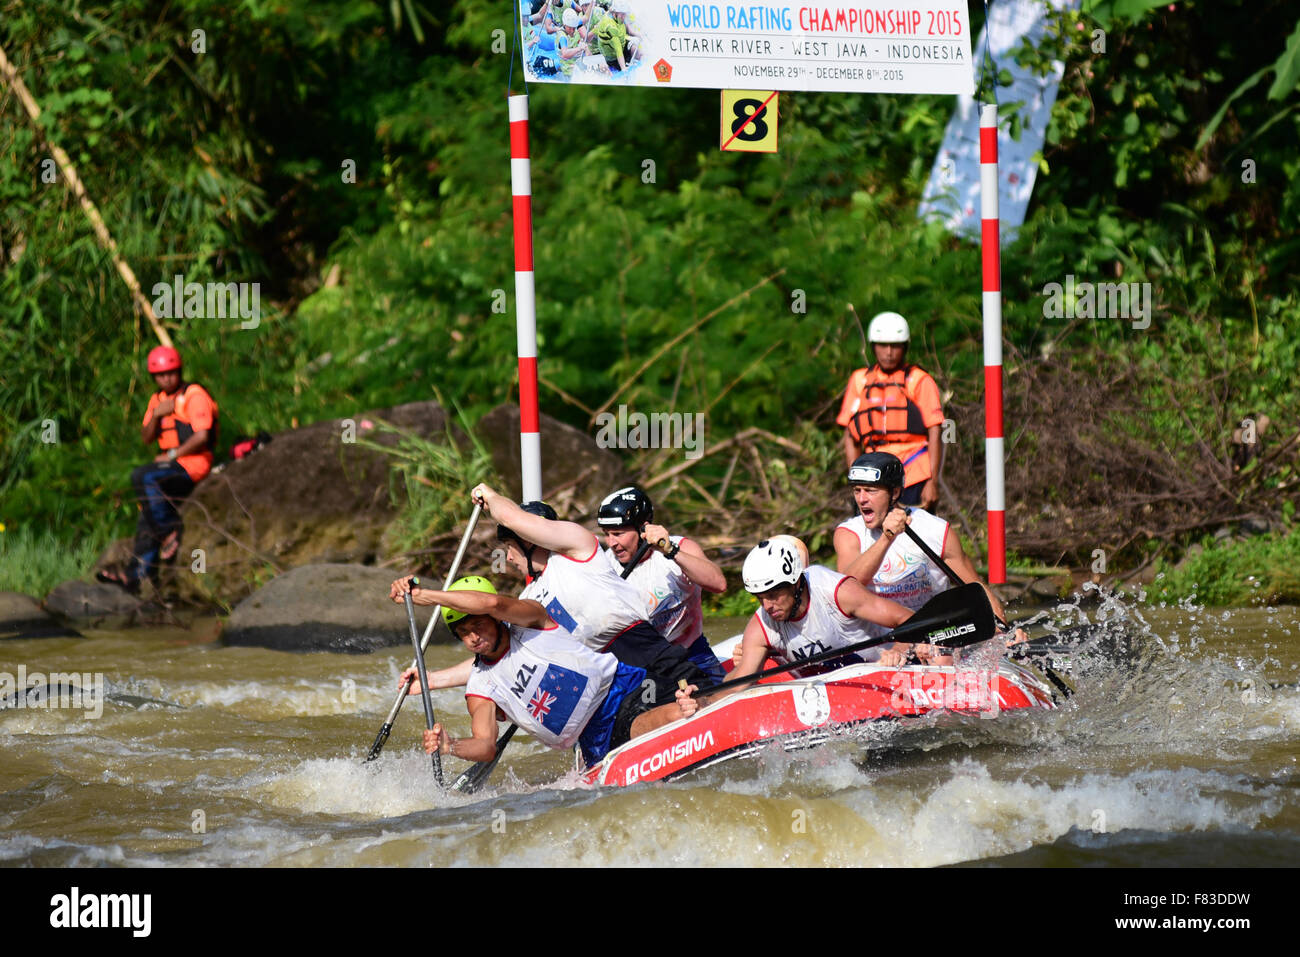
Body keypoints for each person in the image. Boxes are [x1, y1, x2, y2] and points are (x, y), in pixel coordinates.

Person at [412, 484, 709, 693]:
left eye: (511, 548)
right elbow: (503, 653)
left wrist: (489, 494)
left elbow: (511, 517)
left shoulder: (576, 548)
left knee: (695, 694)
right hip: (606, 677)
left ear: (530, 541)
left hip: (642, 650)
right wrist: (431, 680)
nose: (509, 558)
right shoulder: (528, 600)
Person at [394, 575, 694, 767]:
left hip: (626, 687)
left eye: (477, 625)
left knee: (673, 716)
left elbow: (494, 602)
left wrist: (428, 596)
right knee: (657, 724)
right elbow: (485, 746)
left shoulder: (533, 619)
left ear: (495, 619)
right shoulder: (480, 687)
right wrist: (450, 746)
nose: (472, 637)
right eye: (463, 632)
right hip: (592, 735)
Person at [682, 539, 918, 719]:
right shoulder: (761, 625)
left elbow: (908, 619)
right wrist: (703, 702)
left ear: (795, 583)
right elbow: (742, 680)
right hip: (836, 704)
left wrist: (898, 650)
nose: (767, 606)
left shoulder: (837, 593)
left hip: (885, 681)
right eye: (759, 598)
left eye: (774, 595)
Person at [833, 452, 1009, 623]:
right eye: (857, 491)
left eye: (870, 491)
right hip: (879, 640)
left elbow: (976, 589)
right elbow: (847, 589)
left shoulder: (936, 530)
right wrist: (887, 538)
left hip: (930, 633)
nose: (861, 499)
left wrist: (1002, 631)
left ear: (894, 493)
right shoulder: (848, 534)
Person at [97, 346, 217, 592]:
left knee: (142, 475)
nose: (166, 378)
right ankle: (136, 575)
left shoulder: (194, 395)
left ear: (179, 371)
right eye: (161, 375)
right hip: (170, 467)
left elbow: (202, 436)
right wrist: (156, 415)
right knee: (147, 512)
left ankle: (168, 530)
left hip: (193, 465)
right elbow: (147, 437)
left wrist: (172, 454)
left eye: (171, 373)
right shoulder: (157, 400)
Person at [597, 485, 727, 683]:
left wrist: (671, 552)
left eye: (618, 533)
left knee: (724, 697)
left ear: (644, 528)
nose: (611, 543)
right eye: (607, 534)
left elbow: (718, 584)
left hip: (693, 653)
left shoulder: (680, 548)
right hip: (645, 665)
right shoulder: (605, 566)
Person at [836, 311, 945, 510]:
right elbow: (850, 434)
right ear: (873, 347)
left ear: (904, 347)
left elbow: (935, 430)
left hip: (913, 471)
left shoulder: (919, 380)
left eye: (895, 346)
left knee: (913, 536)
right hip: (872, 475)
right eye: (882, 345)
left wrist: (933, 481)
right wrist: (856, 477)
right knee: (871, 538)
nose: (888, 352)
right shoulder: (860, 380)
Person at [590, 0, 640, 72]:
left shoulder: (613, 14)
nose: (623, 17)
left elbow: (610, 10)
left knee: (635, 48)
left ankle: (638, 65)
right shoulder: (610, 26)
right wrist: (623, 68)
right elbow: (618, 49)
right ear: (615, 13)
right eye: (622, 14)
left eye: (624, 14)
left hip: (620, 47)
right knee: (621, 65)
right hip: (612, 57)